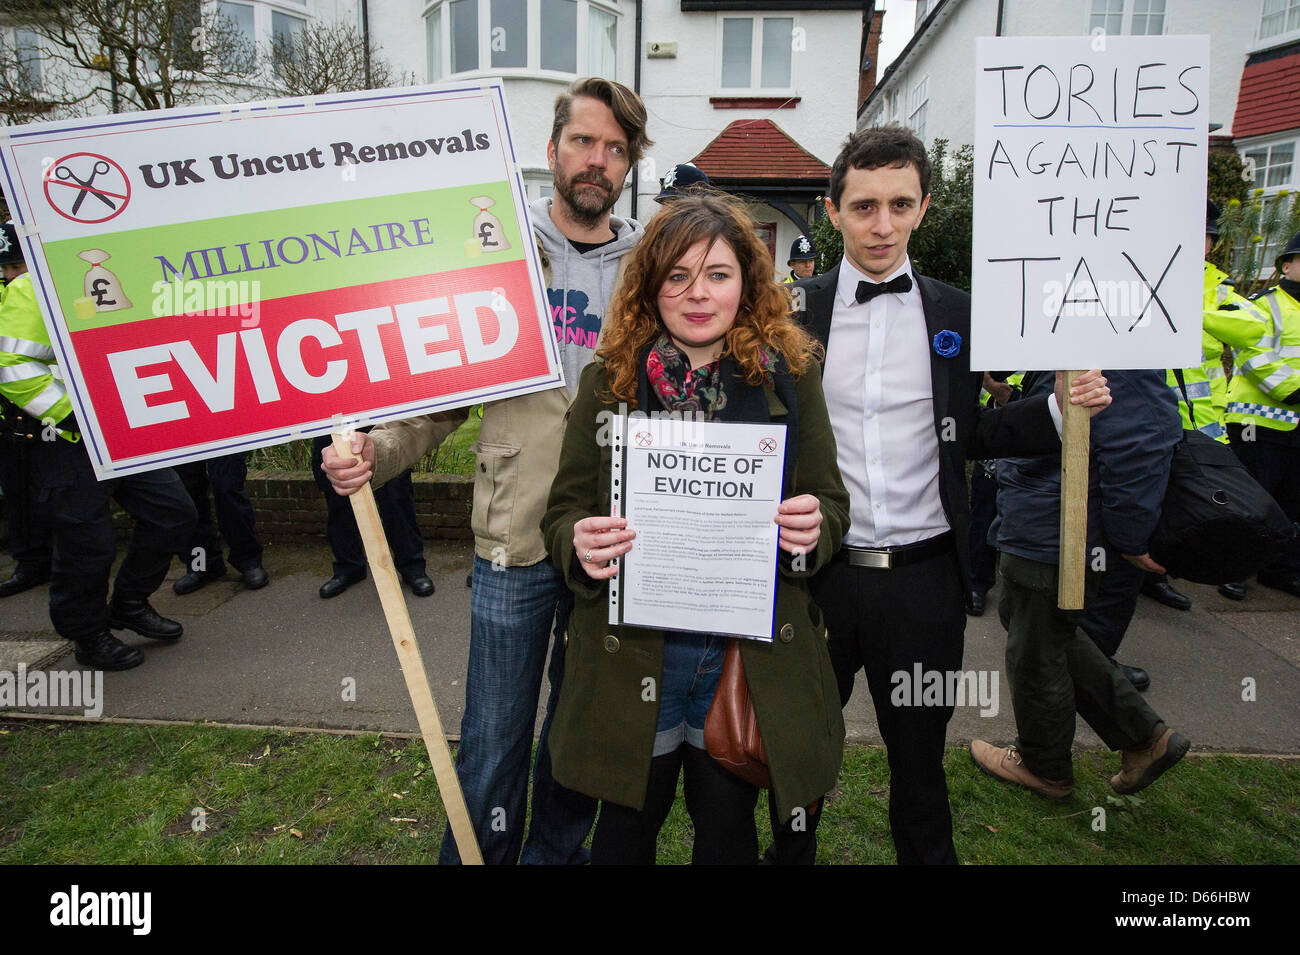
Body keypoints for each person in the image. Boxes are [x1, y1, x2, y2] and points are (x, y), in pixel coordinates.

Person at [324, 77, 652, 865]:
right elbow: (438, 396)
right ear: (551, 149)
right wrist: (379, 451)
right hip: (514, 540)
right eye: (584, 140)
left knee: (577, 740)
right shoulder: (493, 248)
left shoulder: (656, 262)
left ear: (630, 163)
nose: (597, 160)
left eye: (615, 148)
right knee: (494, 743)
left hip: (616, 542)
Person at [789, 126, 1110, 864]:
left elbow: (978, 432)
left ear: (924, 207)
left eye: (900, 204)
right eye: (864, 205)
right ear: (833, 209)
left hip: (926, 586)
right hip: (814, 583)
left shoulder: (961, 316)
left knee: (919, 765)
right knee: (798, 756)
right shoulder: (789, 313)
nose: (883, 224)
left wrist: (1065, 409)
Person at [540, 190, 849, 864]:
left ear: (748, 281)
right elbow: (561, 513)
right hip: (635, 656)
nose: (697, 293)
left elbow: (830, 505)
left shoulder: (791, 378)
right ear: (651, 287)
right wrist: (578, 543)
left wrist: (810, 529)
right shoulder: (608, 383)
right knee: (623, 838)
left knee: (727, 836)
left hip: (739, 659)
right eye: (677, 275)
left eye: (717, 274)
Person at [972, 369, 1190, 800]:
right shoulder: (1072, 340)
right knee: (1041, 629)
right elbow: (1057, 415)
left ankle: (1044, 766)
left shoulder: (1115, 348)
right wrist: (1006, 396)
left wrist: (1131, 537)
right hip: (1038, 521)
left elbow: (1143, 438)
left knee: (1035, 652)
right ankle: (1144, 737)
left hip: (1061, 530)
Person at [0, 222, 195, 670]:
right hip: (68, 440)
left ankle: (128, 603)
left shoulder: (127, 271)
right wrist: (75, 416)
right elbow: (12, 363)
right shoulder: (35, 286)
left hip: (123, 430)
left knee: (174, 514)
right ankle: (88, 637)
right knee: (87, 543)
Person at [1144, 200, 1270, 612]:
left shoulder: (1217, 287)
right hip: (1145, 412)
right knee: (1141, 494)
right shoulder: (1143, 271)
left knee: (1181, 500)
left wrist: (1189, 313)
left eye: (1203, 237)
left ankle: (1160, 573)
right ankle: (1139, 573)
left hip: (1199, 419)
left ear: (1211, 245)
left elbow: (1251, 328)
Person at [1223, 228, 1300, 600]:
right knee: (1253, 497)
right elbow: (1252, 352)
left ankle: (1281, 569)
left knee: (1292, 501)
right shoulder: (1263, 304)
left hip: (1295, 425)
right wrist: (1293, 390)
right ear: (1286, 266)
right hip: (1260, 420)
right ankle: (1233, 567)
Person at [310, 433, 433, 598]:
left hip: (377, 418)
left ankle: (413, 566)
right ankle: (349, 567)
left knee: (396, 499)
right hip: (330, 426)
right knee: (338, 499)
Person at [0, 231, 52, 598]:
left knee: (54, 493)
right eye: (4, 267)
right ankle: (30, 562)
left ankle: (54, 559)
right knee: (17, 491)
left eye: (16, 265)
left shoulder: (44, 292)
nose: (9, 274)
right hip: (10, 416)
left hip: (47, 411)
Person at [172, 454, 269, 594]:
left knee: (227, 487)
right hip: (182, 434)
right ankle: (202, 564)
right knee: (189, 495)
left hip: (221, 433)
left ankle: (248, 560)